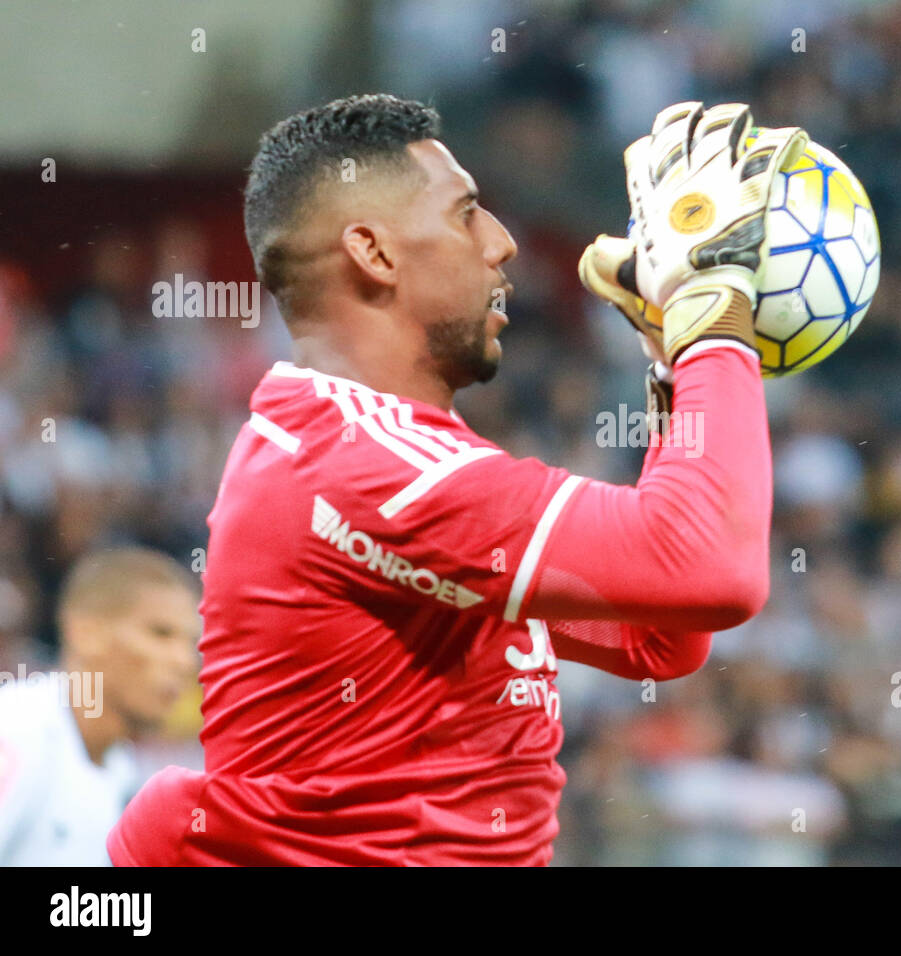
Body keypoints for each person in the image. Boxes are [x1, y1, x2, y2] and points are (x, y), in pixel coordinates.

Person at [108, 94, 802, 865]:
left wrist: (676, 366)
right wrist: (714, 312)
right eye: (467, 213)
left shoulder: (375, 454)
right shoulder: (367, 470)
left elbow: (658, 635)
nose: (502, 244)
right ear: (374, 253)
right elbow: (713, 571)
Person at [0, 547, 199, 865]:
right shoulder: (19, 732)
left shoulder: (120, 769)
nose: (185, 662)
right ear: (85, 632)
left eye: (191, 643)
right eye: (161, 634)